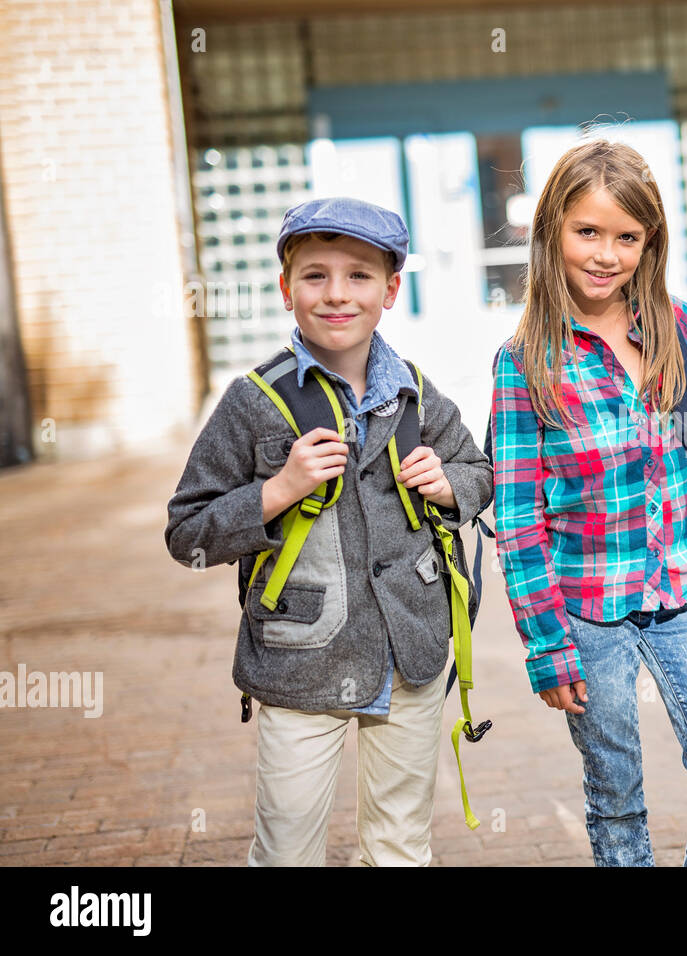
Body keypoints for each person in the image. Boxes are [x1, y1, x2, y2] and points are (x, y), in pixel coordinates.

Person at [165, 197, 493, 866]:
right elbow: (187, 531)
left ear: (391, 290)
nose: (337, 294)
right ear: (287, 290)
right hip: (299, 661)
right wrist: (277, 491)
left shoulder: (417, 395)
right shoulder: (254, 400)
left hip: (413, 653)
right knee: (287, 848)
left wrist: (449, 483)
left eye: (359, 276)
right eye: (315, 276)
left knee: (399, 844)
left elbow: (481, 473)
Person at [490, 139, 687, 866]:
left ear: (650, 241)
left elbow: (686, 445)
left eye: (627, 237)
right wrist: (546, 646)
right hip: (587, 609)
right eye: (588, 232)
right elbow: (516, 519)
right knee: (617, 795)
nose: (606, 253)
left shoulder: (676, 323)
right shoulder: (526, 363)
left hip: (685, 589)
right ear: (552, 234)